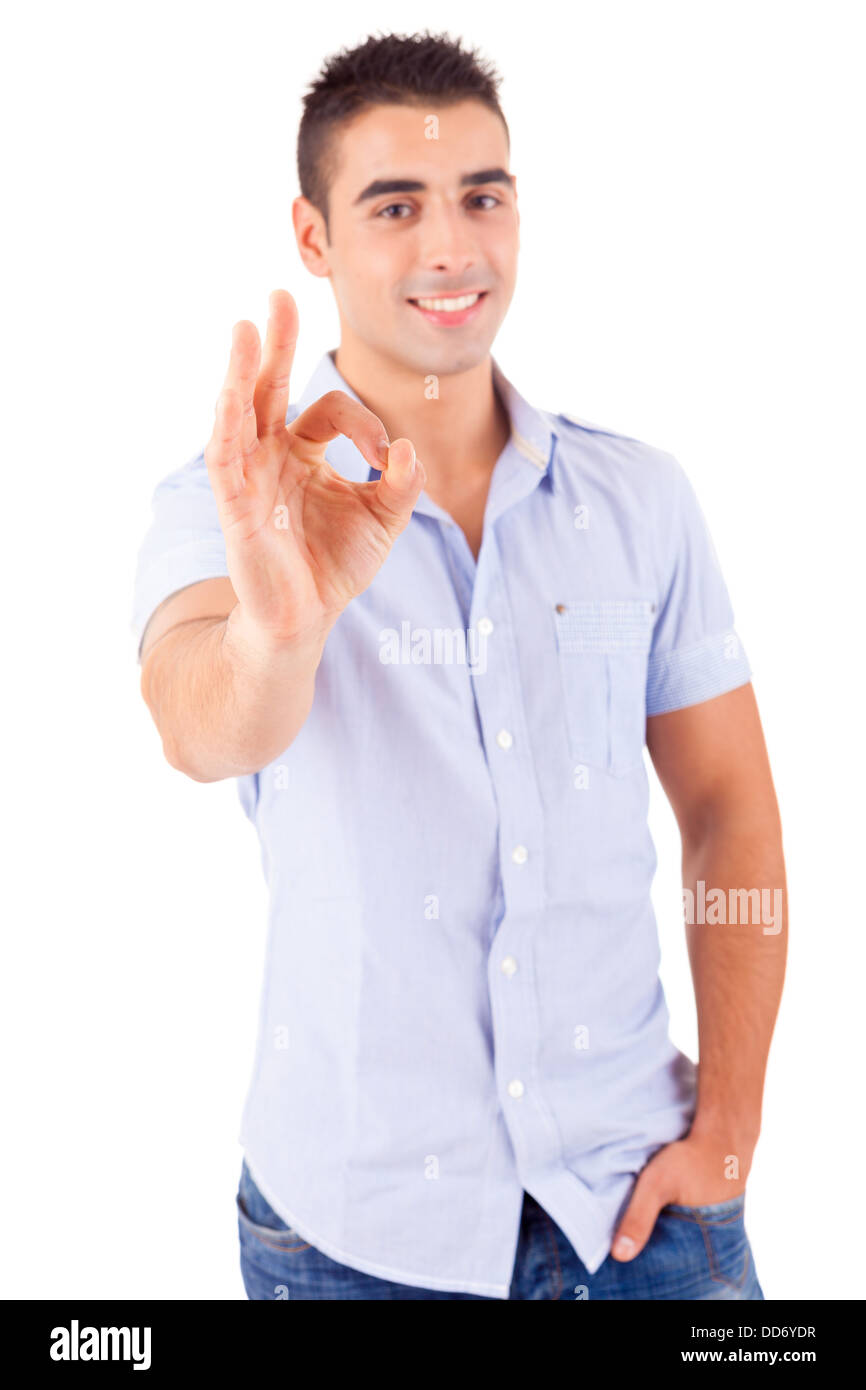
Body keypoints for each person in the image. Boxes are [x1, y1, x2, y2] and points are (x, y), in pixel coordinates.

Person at [133, 30, 787, 1301]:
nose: (452, 248)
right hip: (354, 1242)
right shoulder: (230, 505)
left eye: (482, 196)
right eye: (395, 206)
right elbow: (200, 726)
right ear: (312, 239)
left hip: (643, 1214)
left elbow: (728, 814)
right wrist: (281, 625)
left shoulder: (639, 500)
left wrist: (729, 1133)